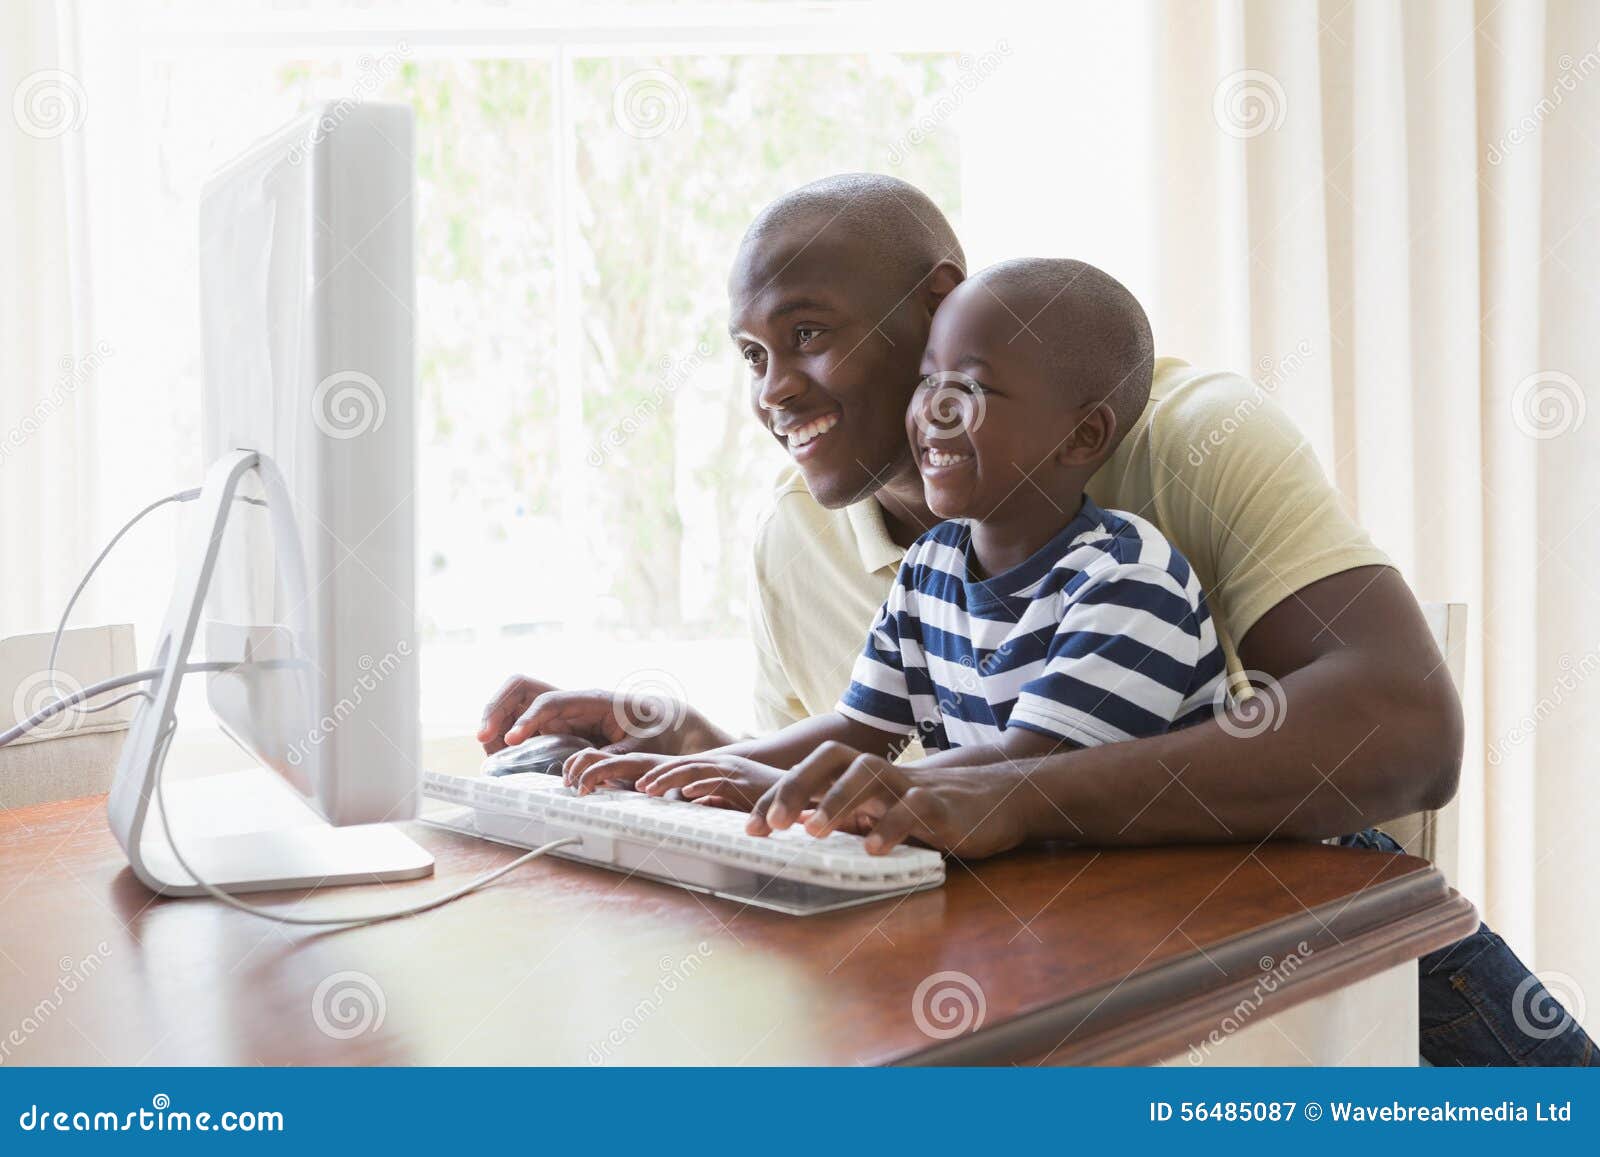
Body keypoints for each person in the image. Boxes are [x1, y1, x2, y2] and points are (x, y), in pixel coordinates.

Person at [478, 174, 1594, 1065]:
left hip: (1282, 978)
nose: (773, 390)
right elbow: (857, 784)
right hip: (1036, 988)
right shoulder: (798, 537)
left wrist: (1010, 793)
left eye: (810, 335)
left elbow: (1404, 727)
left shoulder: (1180, 440)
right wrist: (684, 747)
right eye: (753, 357)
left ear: (932, 307)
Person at [562, 257, 1229, 825]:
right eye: (927, 381)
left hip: (1154, 910)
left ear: (1082, 436)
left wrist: (788, 793)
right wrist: (689, 771)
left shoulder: (1129, 583)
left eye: (969, 388)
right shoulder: (930, 568)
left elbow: (1030, 768)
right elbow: (860, 731)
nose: (932, 412)